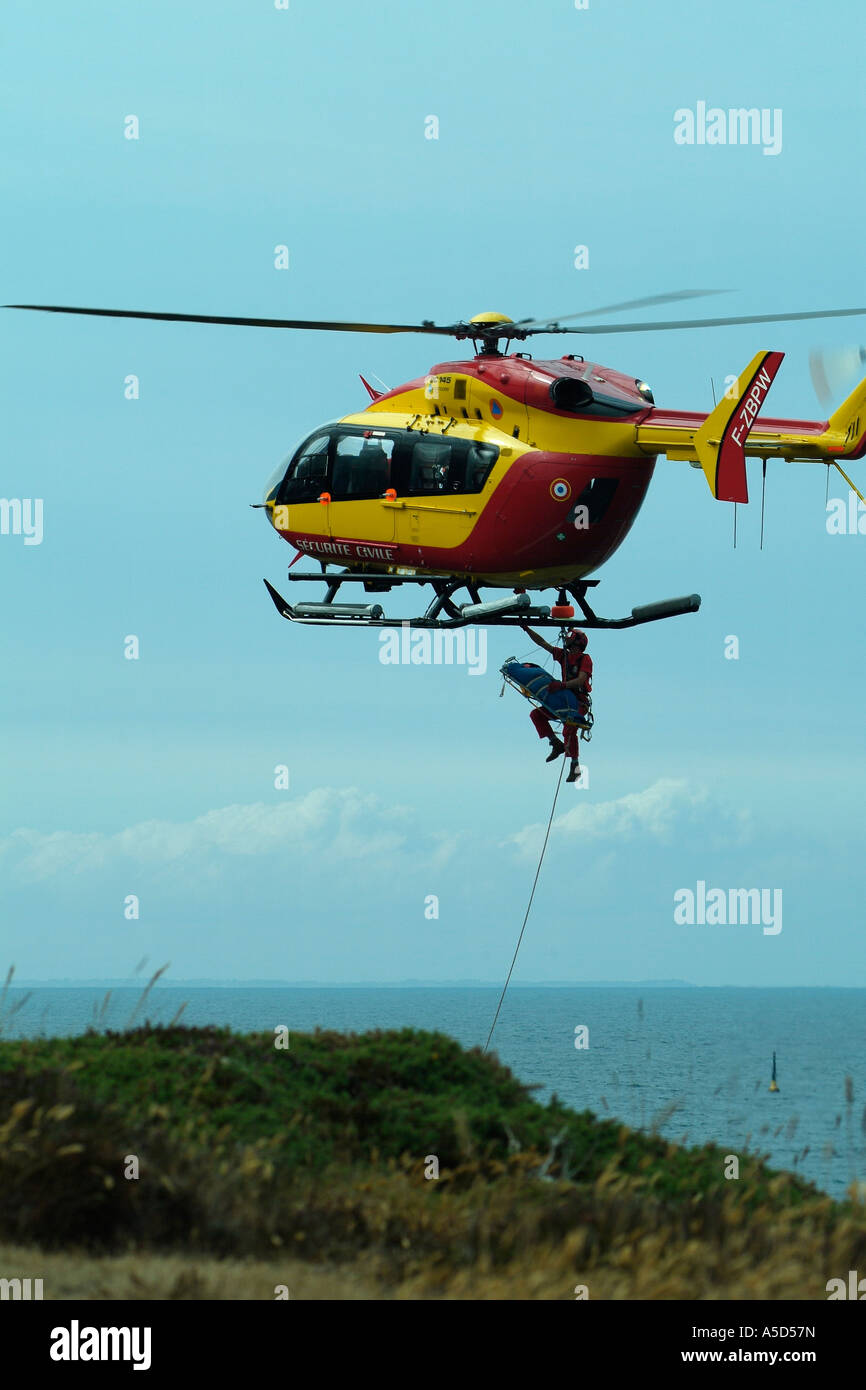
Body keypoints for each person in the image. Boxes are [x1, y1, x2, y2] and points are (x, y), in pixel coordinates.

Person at [519, 623, 592, 783]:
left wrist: (562, 685)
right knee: (537, 714)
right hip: (562, 699)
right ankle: (555, 743)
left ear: (576, 642)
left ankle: (575, 766)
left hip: (578, 702)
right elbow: (542, 643)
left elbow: (581, 680)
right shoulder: (563, 655)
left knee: (569, 729)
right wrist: (527, 629)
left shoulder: (584, 659)